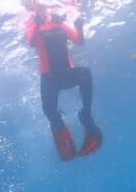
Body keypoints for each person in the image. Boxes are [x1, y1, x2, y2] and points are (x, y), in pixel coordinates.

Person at [26, 1, 102, 161]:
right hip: (49, 77)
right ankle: (65, 143)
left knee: (85, 73)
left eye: (42, 6)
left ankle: (86, 116)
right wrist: (36, 24)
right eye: (36, 7)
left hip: (66, 73)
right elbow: (31, 42)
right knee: (50, 111)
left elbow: (79, 40)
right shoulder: (32, 23)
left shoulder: (58, 21)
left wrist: (79, 25)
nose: (41, 9)